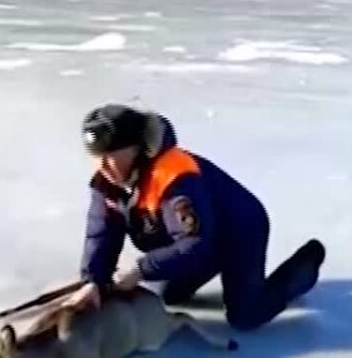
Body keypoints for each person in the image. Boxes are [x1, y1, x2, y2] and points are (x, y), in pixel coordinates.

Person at [63, 103, 326, 332]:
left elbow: (195, 242)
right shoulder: (108, 181)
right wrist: (94, 280)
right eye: (97, 157)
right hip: (199, 237)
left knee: (245, 317)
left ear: (136, 149)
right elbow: (101, 232)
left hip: (239, 229)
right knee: (170, 295)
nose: (103, 166)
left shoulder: (175, 179)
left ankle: (303, 269)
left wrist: (140, 269)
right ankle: (215, 263)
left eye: (111, 156)